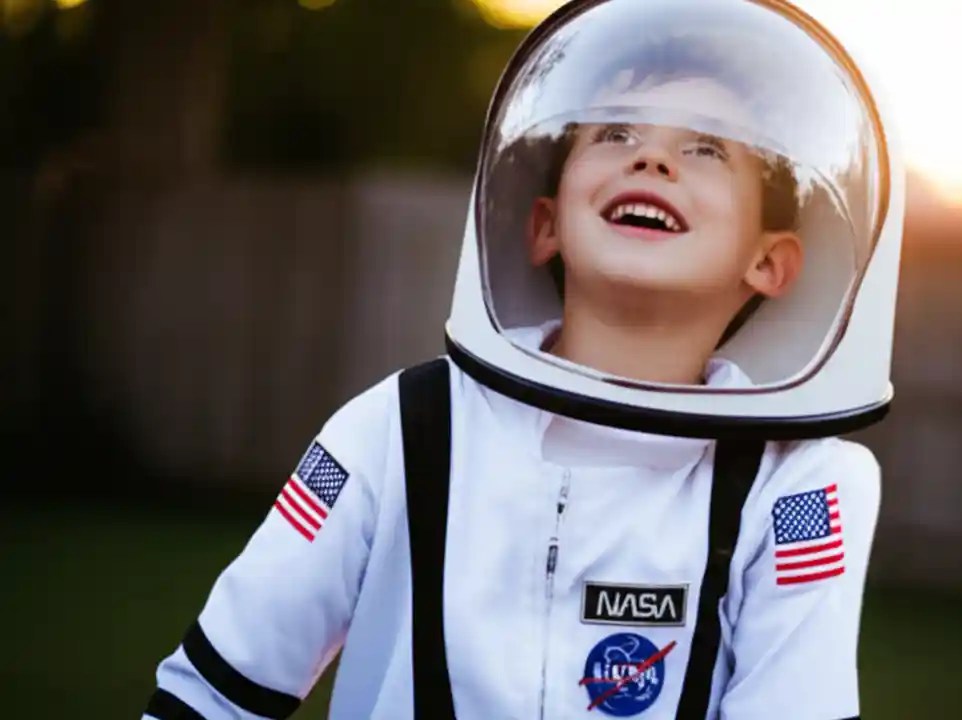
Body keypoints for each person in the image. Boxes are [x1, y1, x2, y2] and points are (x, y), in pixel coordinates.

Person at [142, 1, 904, 718]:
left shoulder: (800, 485)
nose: (653, 161)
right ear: (545, 223)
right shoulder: (398, 432)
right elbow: (213, 696)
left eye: (705, 147)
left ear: (770, 263)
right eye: (613, 133)